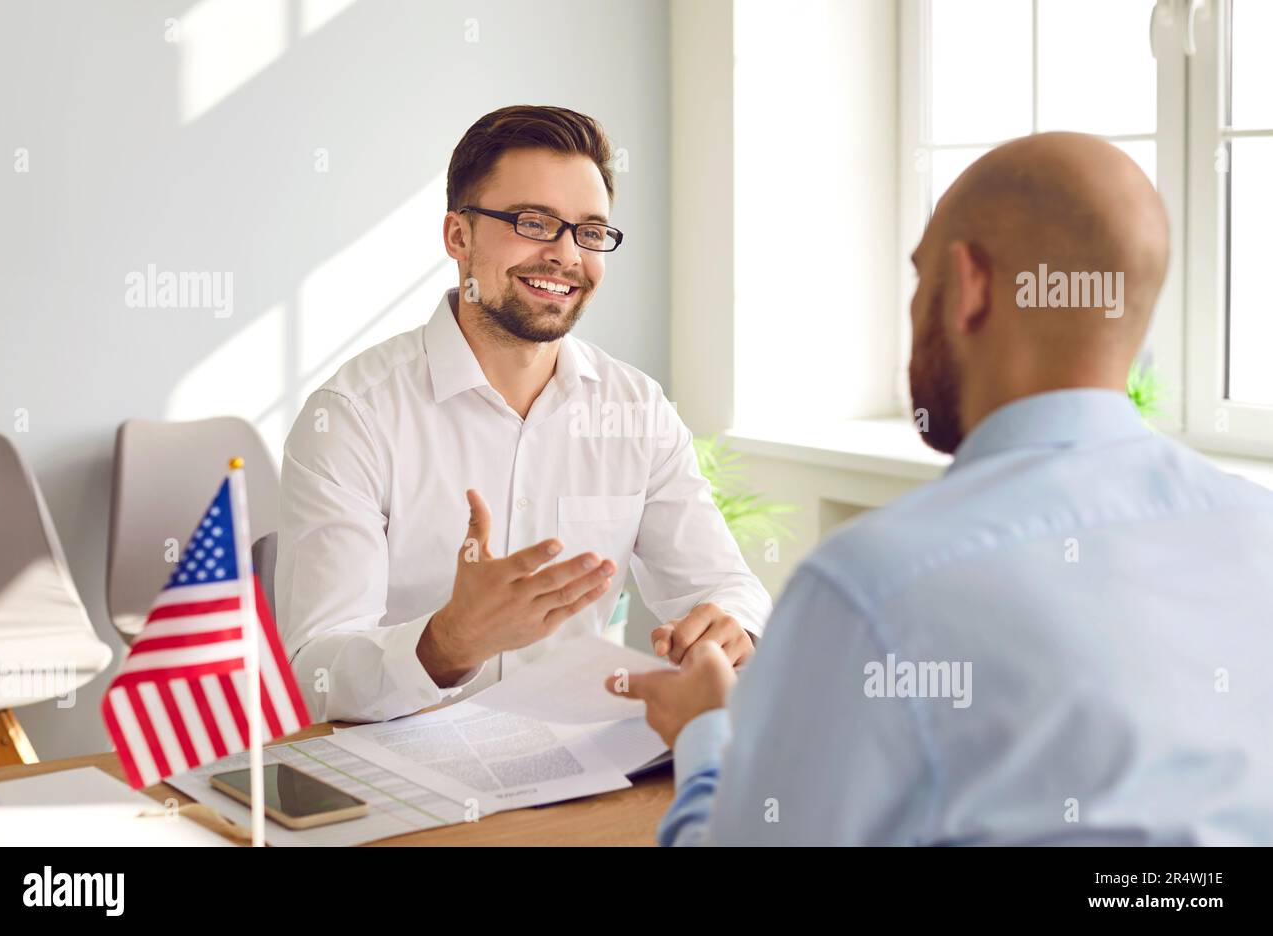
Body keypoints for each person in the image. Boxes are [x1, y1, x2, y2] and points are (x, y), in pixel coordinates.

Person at [611, 132, 1273, 845]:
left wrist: (707, 734)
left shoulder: (876, 587)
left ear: (968, 286)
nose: (912, 309)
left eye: (921, 278)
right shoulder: (1255, 529)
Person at [277, 105, 770, 723]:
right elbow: (315, 673)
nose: (565, 255)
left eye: (590, 231)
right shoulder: (353, 417)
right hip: (401, 773)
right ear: (459, 236)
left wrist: (731, 628)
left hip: (579, 764)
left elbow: (724, 586)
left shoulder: (636, 411)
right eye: (534, 222)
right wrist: (446, 644)